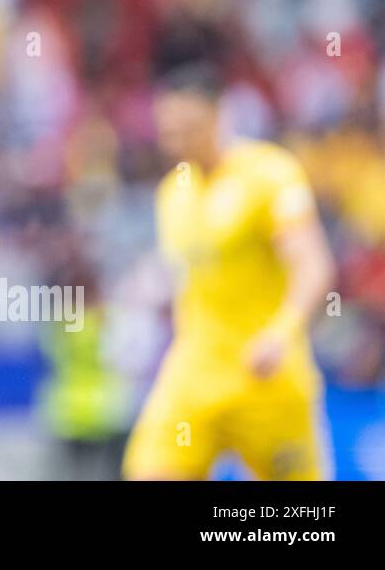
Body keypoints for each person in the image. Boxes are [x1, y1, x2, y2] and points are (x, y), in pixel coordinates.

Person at [122, 61, 336, 480]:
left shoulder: (270, 174)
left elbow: (314, 266)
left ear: (220, 115)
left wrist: (282, 332)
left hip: (267, 376)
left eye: (189, 127)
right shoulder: (172, 193)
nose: (178, 141)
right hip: (195, 373)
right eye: (169, 131)